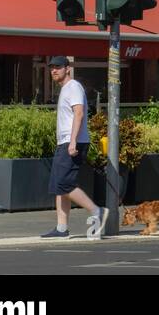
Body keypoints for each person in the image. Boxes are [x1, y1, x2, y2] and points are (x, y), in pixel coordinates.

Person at [42, 56, 106, 239]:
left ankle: (96, 211)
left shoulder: (74, 87)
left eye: (58, 67)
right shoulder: (65, 89)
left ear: (67, 69)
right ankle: (61, 228)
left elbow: (78, 113)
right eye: (52, 67)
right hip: (64, 142)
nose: (54, 70)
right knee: (58, 185)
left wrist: (72, 142)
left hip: (73, 143)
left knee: (64, 183)